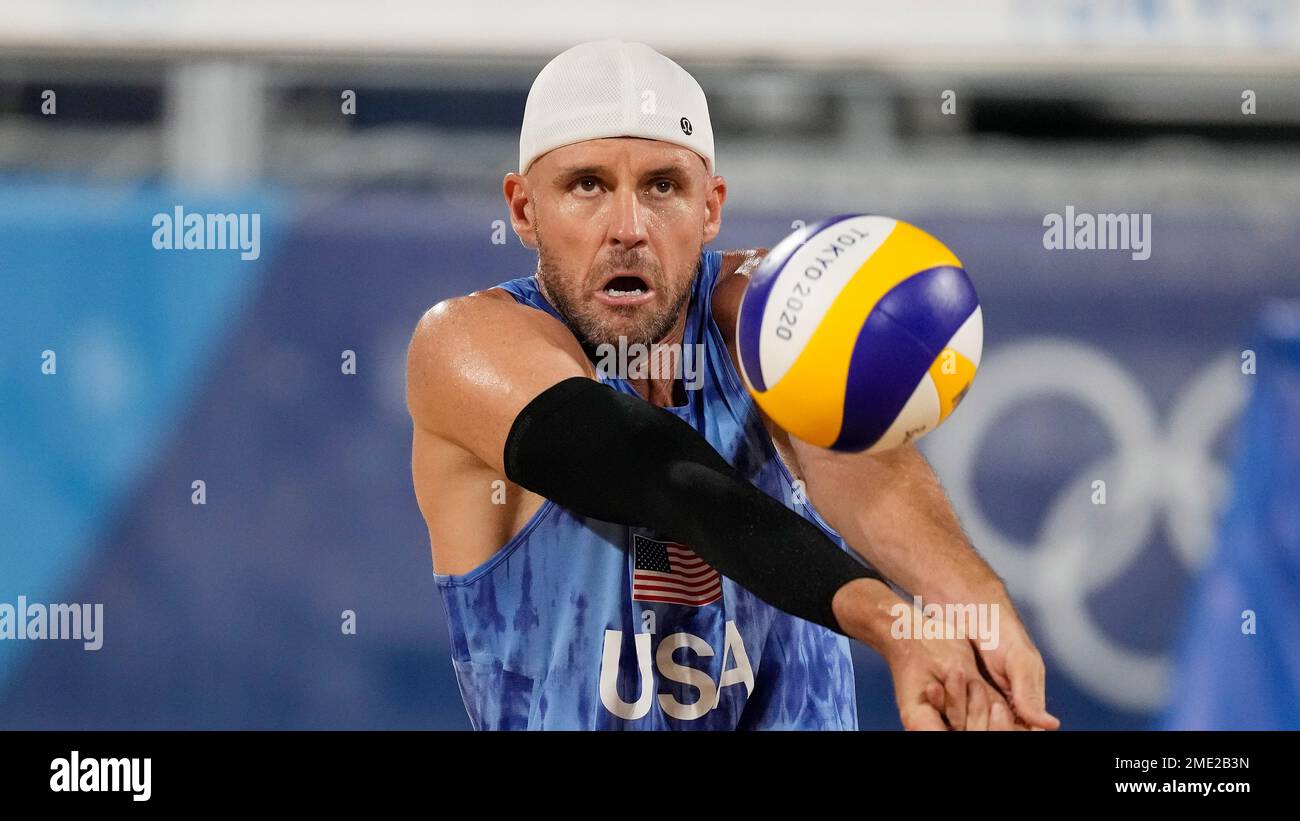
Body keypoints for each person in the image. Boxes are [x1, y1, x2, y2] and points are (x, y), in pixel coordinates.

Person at [406, 39, 1060, 731]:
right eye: (587, 185)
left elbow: (860, 470)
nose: (628, 228)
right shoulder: (464, 346)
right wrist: (894, 623)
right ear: (523, 207)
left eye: (663, 186)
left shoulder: (765, 315)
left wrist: (980, 612)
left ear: (710, 207)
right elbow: (656, 472)